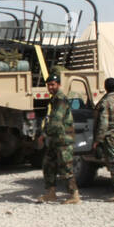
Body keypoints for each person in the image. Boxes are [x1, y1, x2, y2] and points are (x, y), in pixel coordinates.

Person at [37, 70, 80, 204]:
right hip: (56, 139)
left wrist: (44, 135)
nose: (50, 87)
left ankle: (74, 195)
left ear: (59, 85)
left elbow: (56, 121)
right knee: (48, 164)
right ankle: (51, 193)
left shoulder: (60, 99)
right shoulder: (55, 99)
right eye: (49, 85)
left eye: (53, 84)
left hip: (63, 139)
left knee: (66, 167)